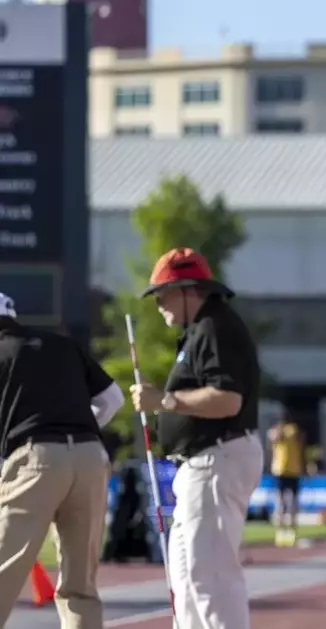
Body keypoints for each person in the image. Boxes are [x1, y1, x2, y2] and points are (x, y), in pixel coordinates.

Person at [129, 248, 264, 629]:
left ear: (187, 289)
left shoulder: (216, 328)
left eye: (161, 295)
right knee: (187, 578)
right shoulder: (201, 331)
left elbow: (227, 399)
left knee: (211, 577)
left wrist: (164, 401)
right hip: (202, 462)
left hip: (216, 457)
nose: (158, 305)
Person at [0, 291, 123, 629]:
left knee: (5, 566)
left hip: (37, 458)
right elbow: (113, 400)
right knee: (79, 585)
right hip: (90, 456)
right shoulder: (60, 345)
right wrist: (78, 428)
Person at [268, 416, 306, 547]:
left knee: (293, 503)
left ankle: (292, 531)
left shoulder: (294, 431)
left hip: (293, 470)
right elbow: (274, 439)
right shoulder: (276, 431)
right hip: (280, 470)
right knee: (280, 502)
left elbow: (300, 441)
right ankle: (280, 531)